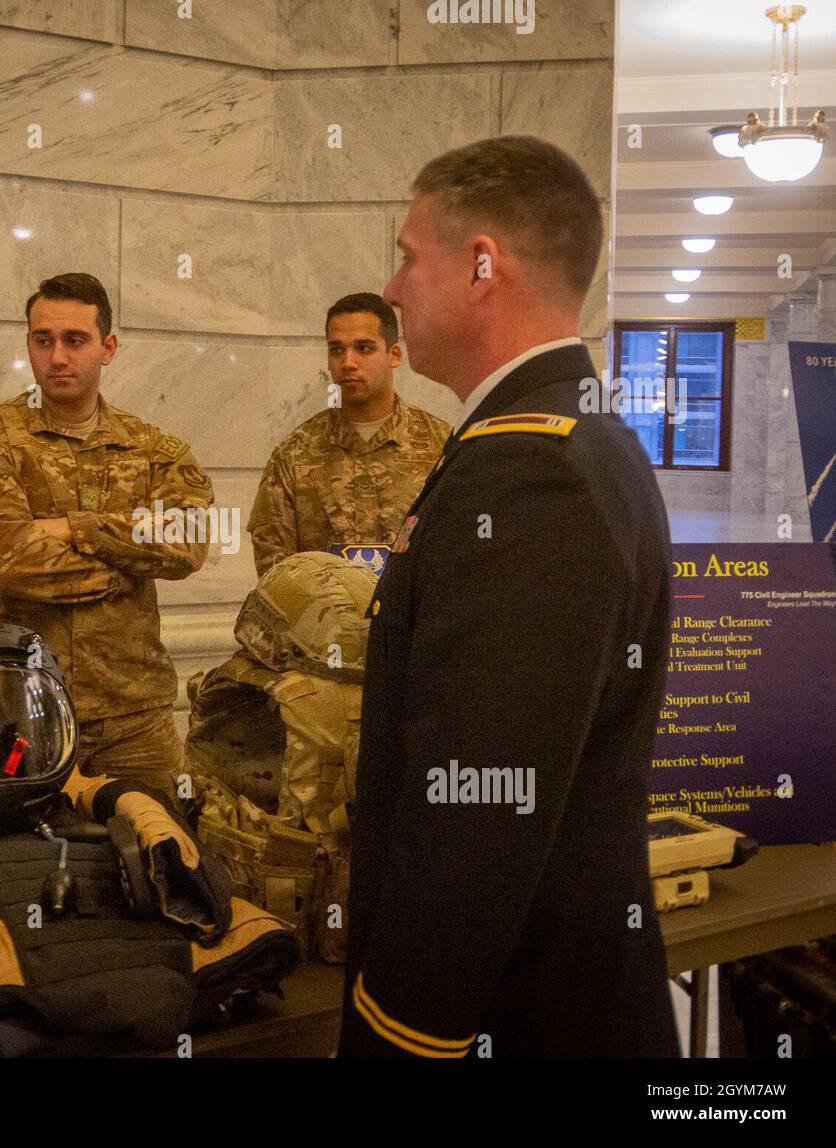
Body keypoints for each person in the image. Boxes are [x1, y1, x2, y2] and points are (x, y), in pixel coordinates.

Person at [340, 137, 679, 1057]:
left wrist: (397, 1037)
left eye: (410, 256)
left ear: (483, 264)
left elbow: (477, 818)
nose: (396, 289)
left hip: (512, 1018)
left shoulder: (532, 472)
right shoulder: (568, 434)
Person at [0, 273, 213, 794]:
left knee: (168, 851)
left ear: (107, 347)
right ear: (28, 344)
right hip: (20, 705)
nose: (57, 356)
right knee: (25, 861)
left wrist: (74, 527)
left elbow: (189, 544)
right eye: (43, 341)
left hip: (136, 714)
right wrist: (125, 566)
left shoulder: (154, 448)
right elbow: (6, 564)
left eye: (75, 340)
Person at [248, 293, 448, 576]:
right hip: (323, 619)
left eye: (364, 348)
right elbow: (275, 572)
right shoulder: (294, 455)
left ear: (394, 355)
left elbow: (459, 557)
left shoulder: (441, 448)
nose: (348, 362)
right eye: (336, 350)